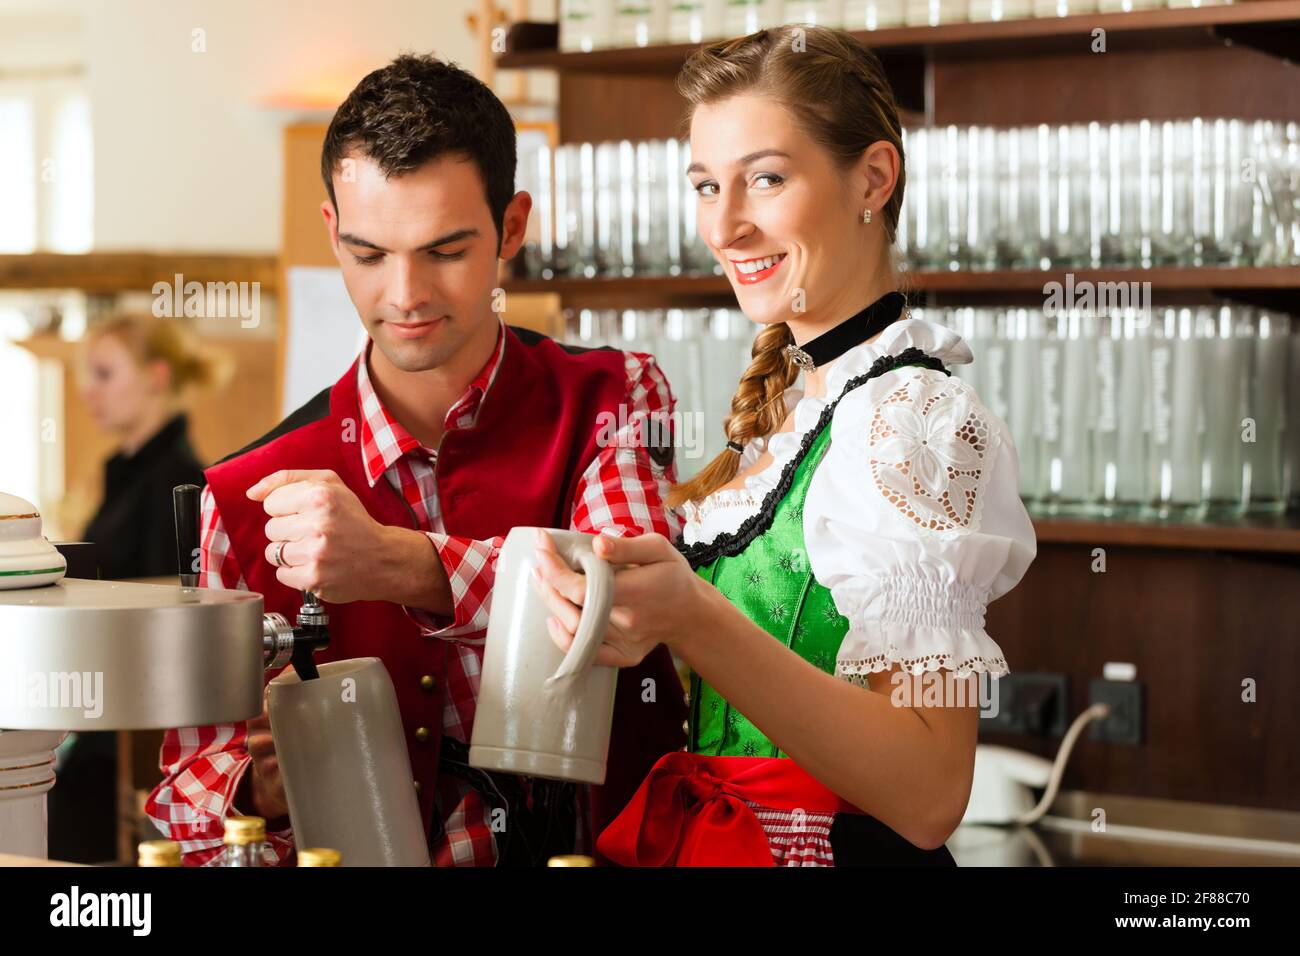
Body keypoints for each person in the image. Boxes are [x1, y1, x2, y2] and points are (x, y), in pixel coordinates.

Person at [145, 53, 685, 866]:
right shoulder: (241, 493)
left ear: (511, 227)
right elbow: (187, 791)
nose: (403, 294)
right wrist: (255, 791)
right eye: (368, 254)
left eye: (444, 251)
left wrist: (404, 564)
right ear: (331, 230)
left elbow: (629, 602)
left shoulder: (616, 396)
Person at [532, 26, 1037, 866]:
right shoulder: (799, 402)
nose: (725, 227)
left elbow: (930, 793)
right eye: (704, 186)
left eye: (765, 179)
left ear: (873, 178)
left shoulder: (915, 418)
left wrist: (692, 619)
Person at [80, 313, 221, 579]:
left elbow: (170, 596)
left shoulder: (179, 481)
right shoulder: (126, 471)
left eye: (104, 374)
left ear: (156, 377)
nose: (87, 389)